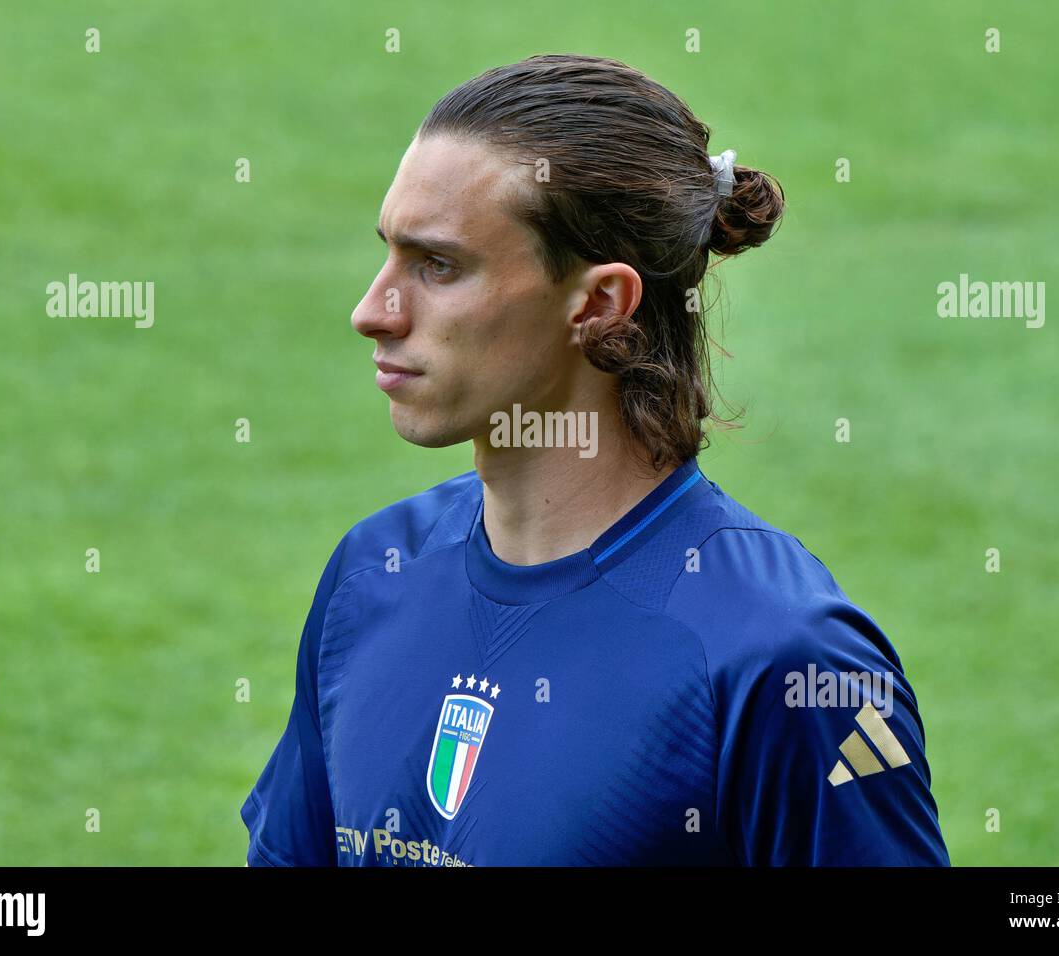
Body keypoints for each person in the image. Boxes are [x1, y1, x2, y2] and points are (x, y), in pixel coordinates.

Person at [241, 53, 949, 866]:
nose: (373, 312)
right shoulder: (373, 575)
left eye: (438, 265)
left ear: (599, 304)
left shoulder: (781, 661)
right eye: (388, 254)